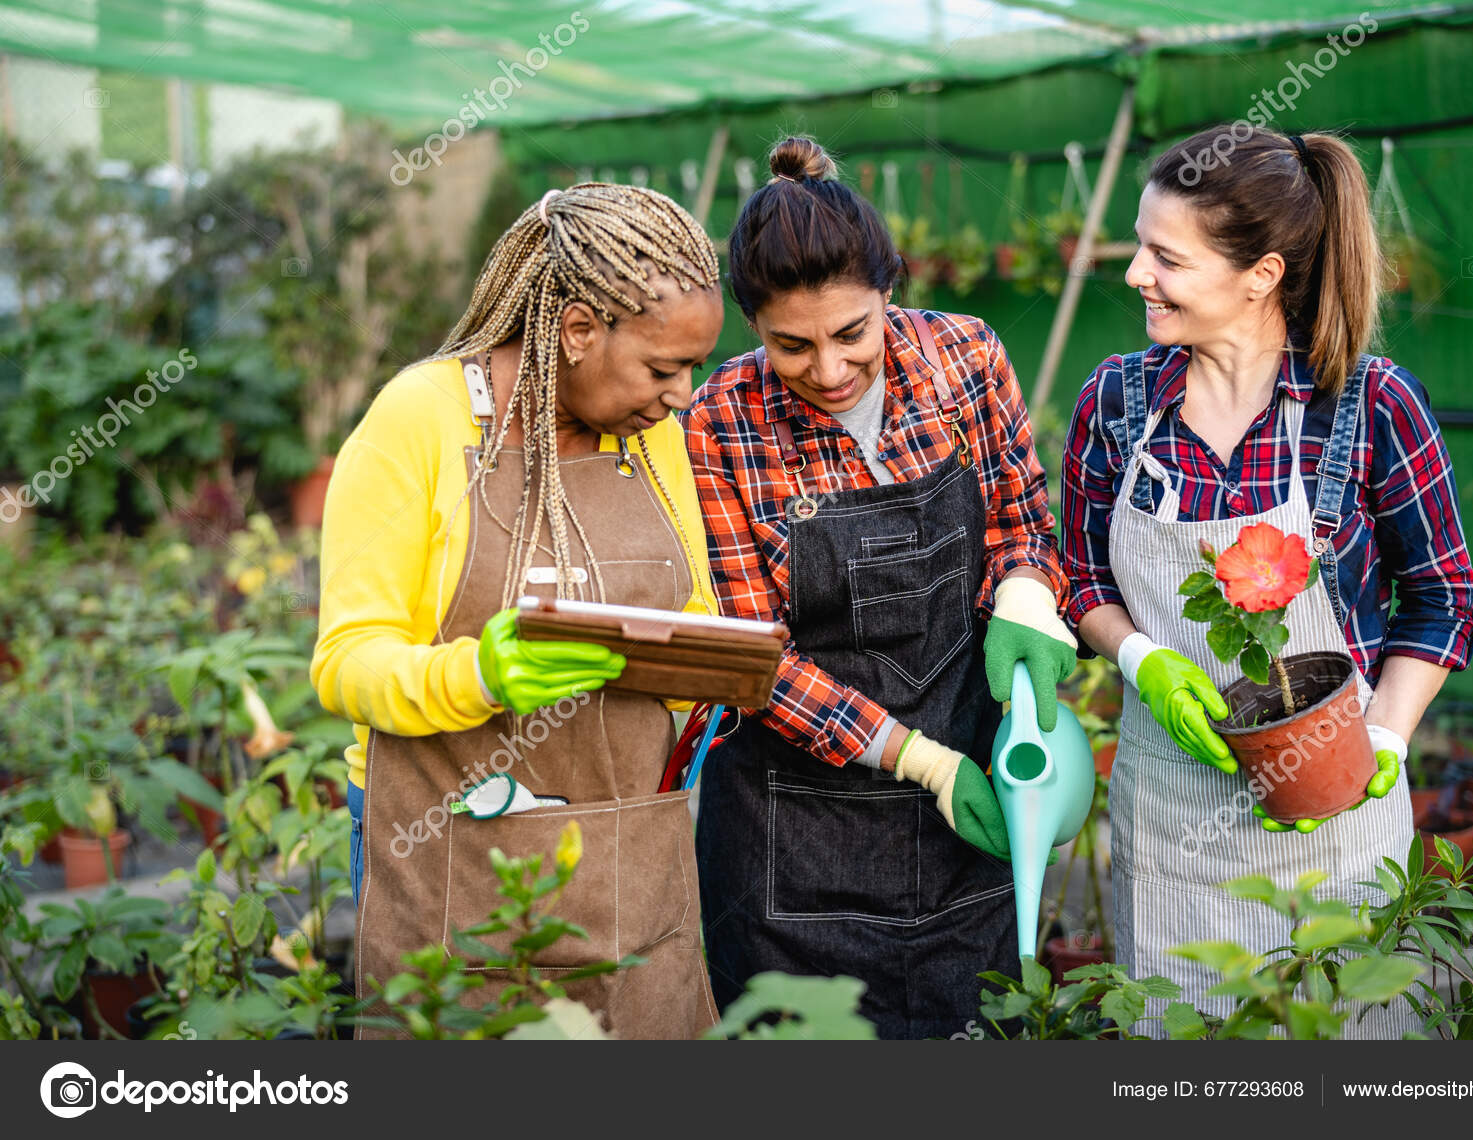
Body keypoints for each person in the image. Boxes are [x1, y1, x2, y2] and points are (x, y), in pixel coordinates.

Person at [1059, 126, 1473, 1037]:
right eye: (1140, 246)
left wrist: (1389, 740)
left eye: (1166, 257)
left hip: (1336, 829)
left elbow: (1443, 598)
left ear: (1262, 275)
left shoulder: (1370, 407)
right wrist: (1140, 662)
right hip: (1168, 817)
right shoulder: (1117, 402)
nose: (1135, 273)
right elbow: (1081, 575)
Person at [311, 183, 726, 1038]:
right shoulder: (417, 422)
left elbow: (690, 601)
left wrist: (714, 666)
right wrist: (481, 672)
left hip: (627, 846)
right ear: (577, 330)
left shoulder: (652, 437)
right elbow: (347, 661)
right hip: (448, 850)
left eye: (692, 368)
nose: (684, 394)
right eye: (661, 368)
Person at [684, 138, 1076, 1039]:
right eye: (791, 345)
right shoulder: (719, 422)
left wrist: (1024, 593)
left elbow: (1021, 522)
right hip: (794, 851)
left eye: (852, 332)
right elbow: (754, 660)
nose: (828, 370)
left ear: (889, 291)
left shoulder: (965, 362)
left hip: (967, 819)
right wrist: (916, 759)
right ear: (752, 327)